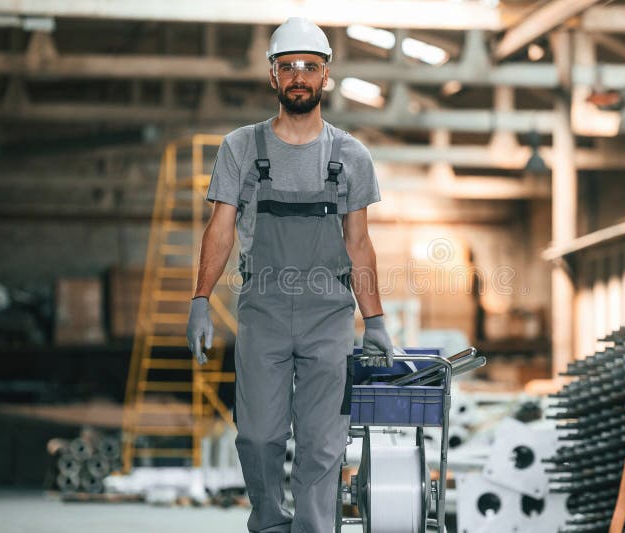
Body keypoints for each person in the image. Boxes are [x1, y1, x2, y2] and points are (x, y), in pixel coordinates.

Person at [186, 17, 395, 533]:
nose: (300, 75)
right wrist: (199, 298)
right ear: (272, 76)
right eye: (289, 67)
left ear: (327, 77)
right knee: (257, 434)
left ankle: (313, 529)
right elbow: (220, 229)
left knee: (323, 443)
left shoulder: (350, 156)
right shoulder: (240, 147)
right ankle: (269, 521)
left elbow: (359, 243)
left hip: (329, 314)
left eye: (311, 67)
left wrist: (376, 321)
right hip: (264, 310)